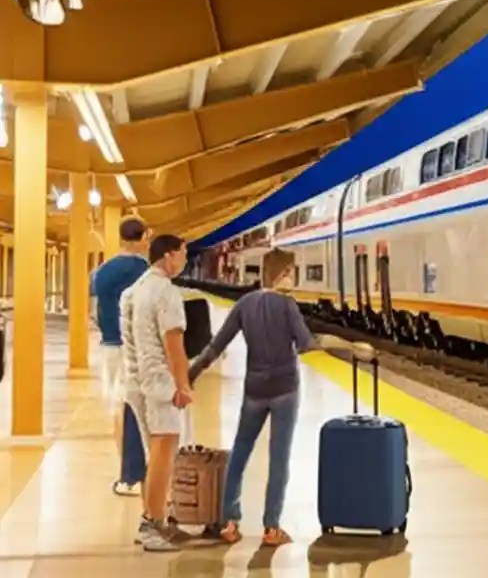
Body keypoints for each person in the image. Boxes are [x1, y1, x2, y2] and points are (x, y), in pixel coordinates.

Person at [189, 248, 358, 546]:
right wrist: (344, 346)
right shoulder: (287, 305)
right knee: (279, 458)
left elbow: (215, 347)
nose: (293, 277)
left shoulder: (245, 304)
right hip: (285, 390)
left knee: (240, 452)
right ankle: (271, 528)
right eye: (291, 271)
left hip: (254, 390)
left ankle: (229, 522)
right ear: (281, 273)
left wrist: (191, 375)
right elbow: (306, 344)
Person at [121, 233, 194, 552]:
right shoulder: (166, 292)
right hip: (161, 384)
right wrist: (183, 384)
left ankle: (156, 519)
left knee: (156, 454)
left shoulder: (134, 291)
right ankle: (151, 525)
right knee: (164, 452)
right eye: (183, 253)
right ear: (168, 255)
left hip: (137, 381)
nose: (185, 259)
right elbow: (173, 343)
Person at [90, 217, 151, 498]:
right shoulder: (144, 271)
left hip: (110, 345)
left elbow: (93, 310)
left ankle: (125, 470)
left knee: (117, 407)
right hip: (135, 347)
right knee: (135, 406)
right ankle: (133, 473)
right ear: (142, 238)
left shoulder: (102, 271)